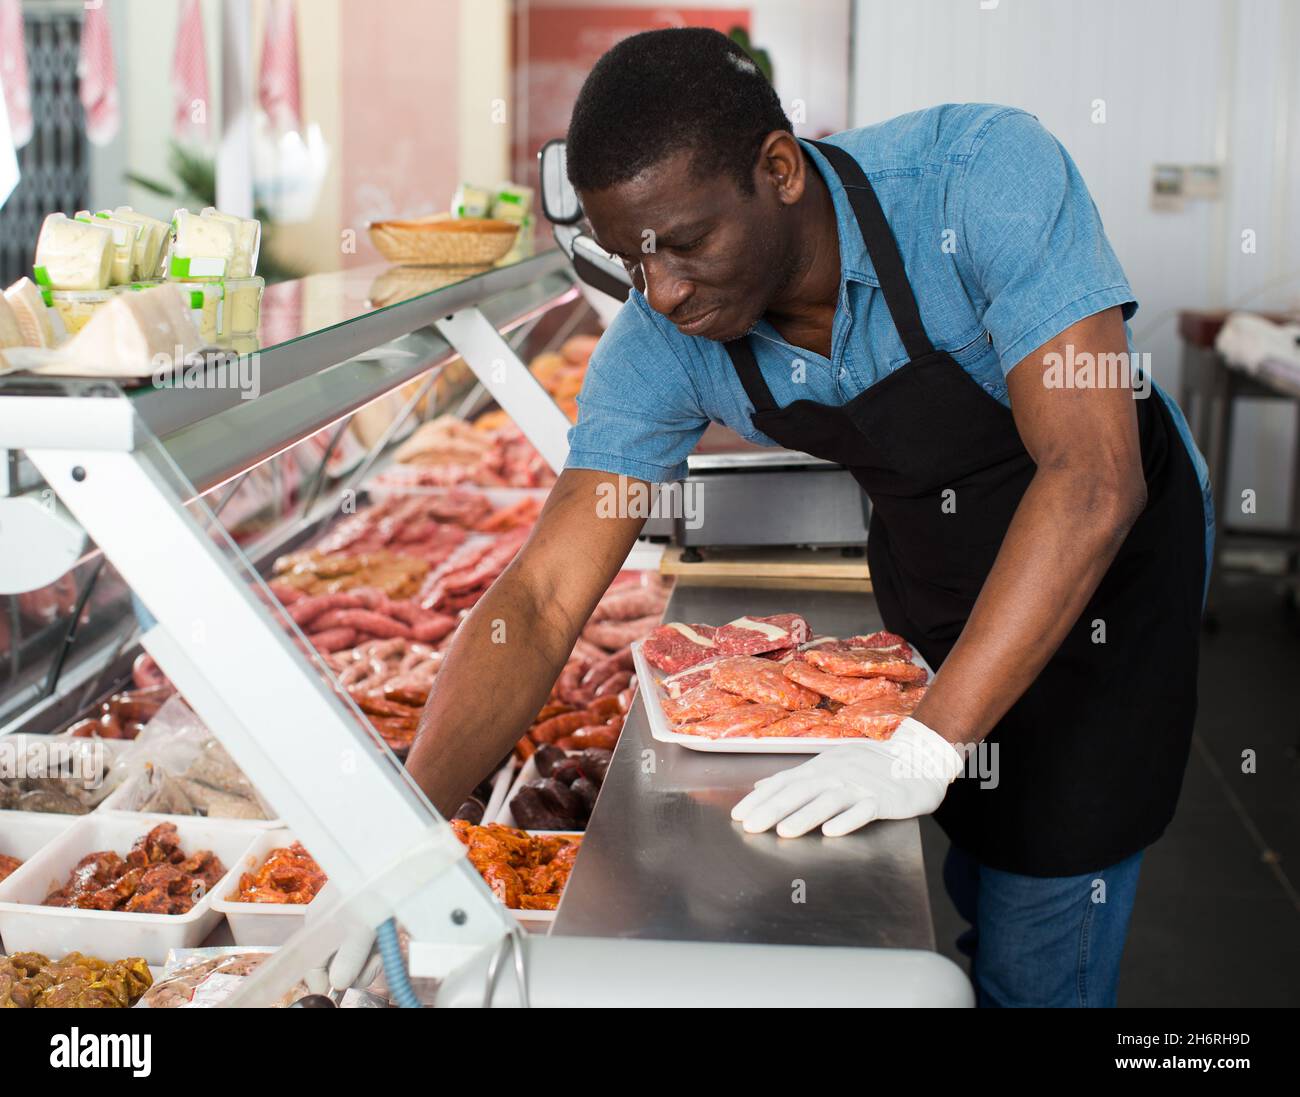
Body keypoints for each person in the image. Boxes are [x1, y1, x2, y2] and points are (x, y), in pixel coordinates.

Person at [407, 27, 1214, 1008]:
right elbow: (538, 599)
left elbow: (1090, 476)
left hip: (1105, 572)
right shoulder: (661, 339)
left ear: (779, 169)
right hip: (942, 568)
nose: (661, 294)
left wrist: (925, 743)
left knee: (1048, 882)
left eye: (690, 245)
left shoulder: (977, 178)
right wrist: (396, 841)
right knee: (977, 839)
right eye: (630, 260)